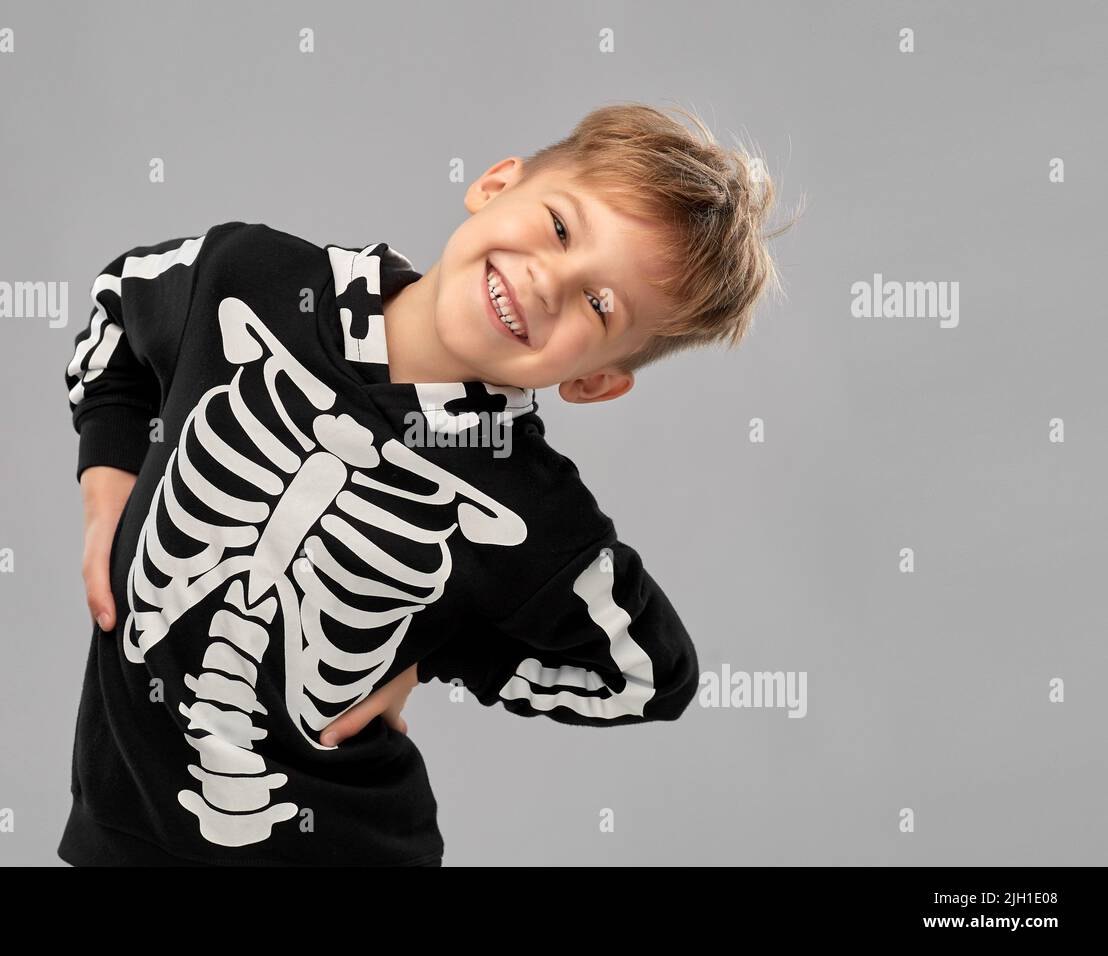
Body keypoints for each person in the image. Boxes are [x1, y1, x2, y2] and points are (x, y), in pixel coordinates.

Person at [58, 101, 796, 867]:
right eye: (561, 227)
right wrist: (106, 481)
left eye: (599, 304)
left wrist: (433, 656)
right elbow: (120, 302)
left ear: (596, 381)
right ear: (496, 184)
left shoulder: (527, 508)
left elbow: (653, 673)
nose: (549, 281)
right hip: (119, 831)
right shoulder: (248, 279)